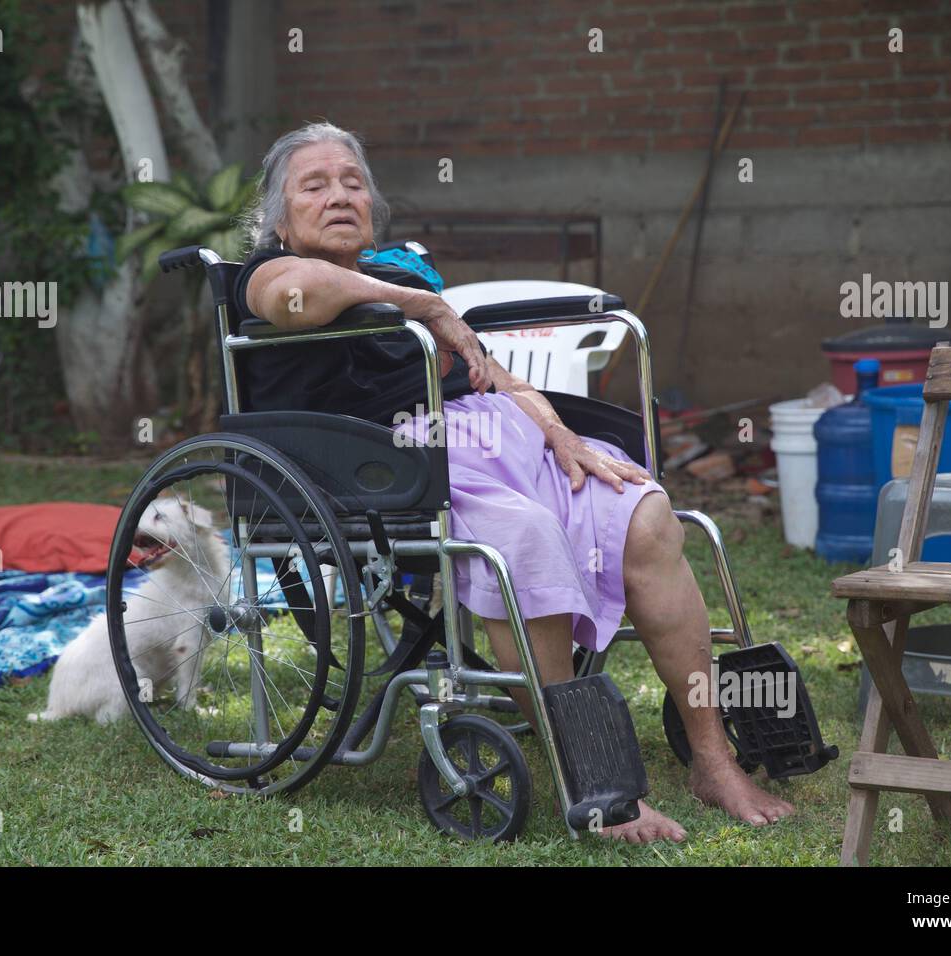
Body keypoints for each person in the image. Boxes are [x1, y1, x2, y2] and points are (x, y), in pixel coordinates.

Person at [234, 122, 793, 843]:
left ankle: (713, 759)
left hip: (494, 440)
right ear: (280, 218)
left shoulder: (399, 275)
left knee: (647, 513)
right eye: (314, 186)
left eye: (352, 181)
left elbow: (489, 376)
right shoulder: (268, 276)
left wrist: (558, 432)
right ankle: (591, 782)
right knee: (523, 539)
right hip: (388, 468)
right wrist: (428, 307)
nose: (340, 194)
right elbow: (300, 293)